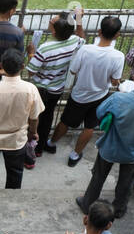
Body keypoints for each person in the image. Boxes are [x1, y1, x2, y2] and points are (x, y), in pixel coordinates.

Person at [76, 63, 134, 216]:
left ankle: (88, 203)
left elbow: (99, 112)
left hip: (109, 148)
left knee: (98, 176)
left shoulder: (118, 98)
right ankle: (119, 209)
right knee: (126, 182)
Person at [47, 16, 125, 165]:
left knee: (65, 121)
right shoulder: (118, 56)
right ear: (117, 35)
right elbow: (115, 81)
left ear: (99, 31)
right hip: (100, 96)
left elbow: (74, 71)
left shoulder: (85, 50)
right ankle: (75, 155)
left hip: (79, 95)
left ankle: (51, 143)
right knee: (89, 127)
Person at [0, 49, 42, 188]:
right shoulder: (31, 89)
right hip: (16, 140)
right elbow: (34, 118)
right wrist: (33, 133)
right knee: (15, 175)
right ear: (23, 67)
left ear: (1, 65)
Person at [26, 13, 83, 155]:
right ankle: (40, 148)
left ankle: (30, 147)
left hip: (41, 89)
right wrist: (80, 19)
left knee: (34, 117)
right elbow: (82, 37)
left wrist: (31, 54)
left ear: (54, 31)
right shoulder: (75, 41)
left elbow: (31, 71)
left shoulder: (46, 48)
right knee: (48, 117)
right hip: (57, 88)